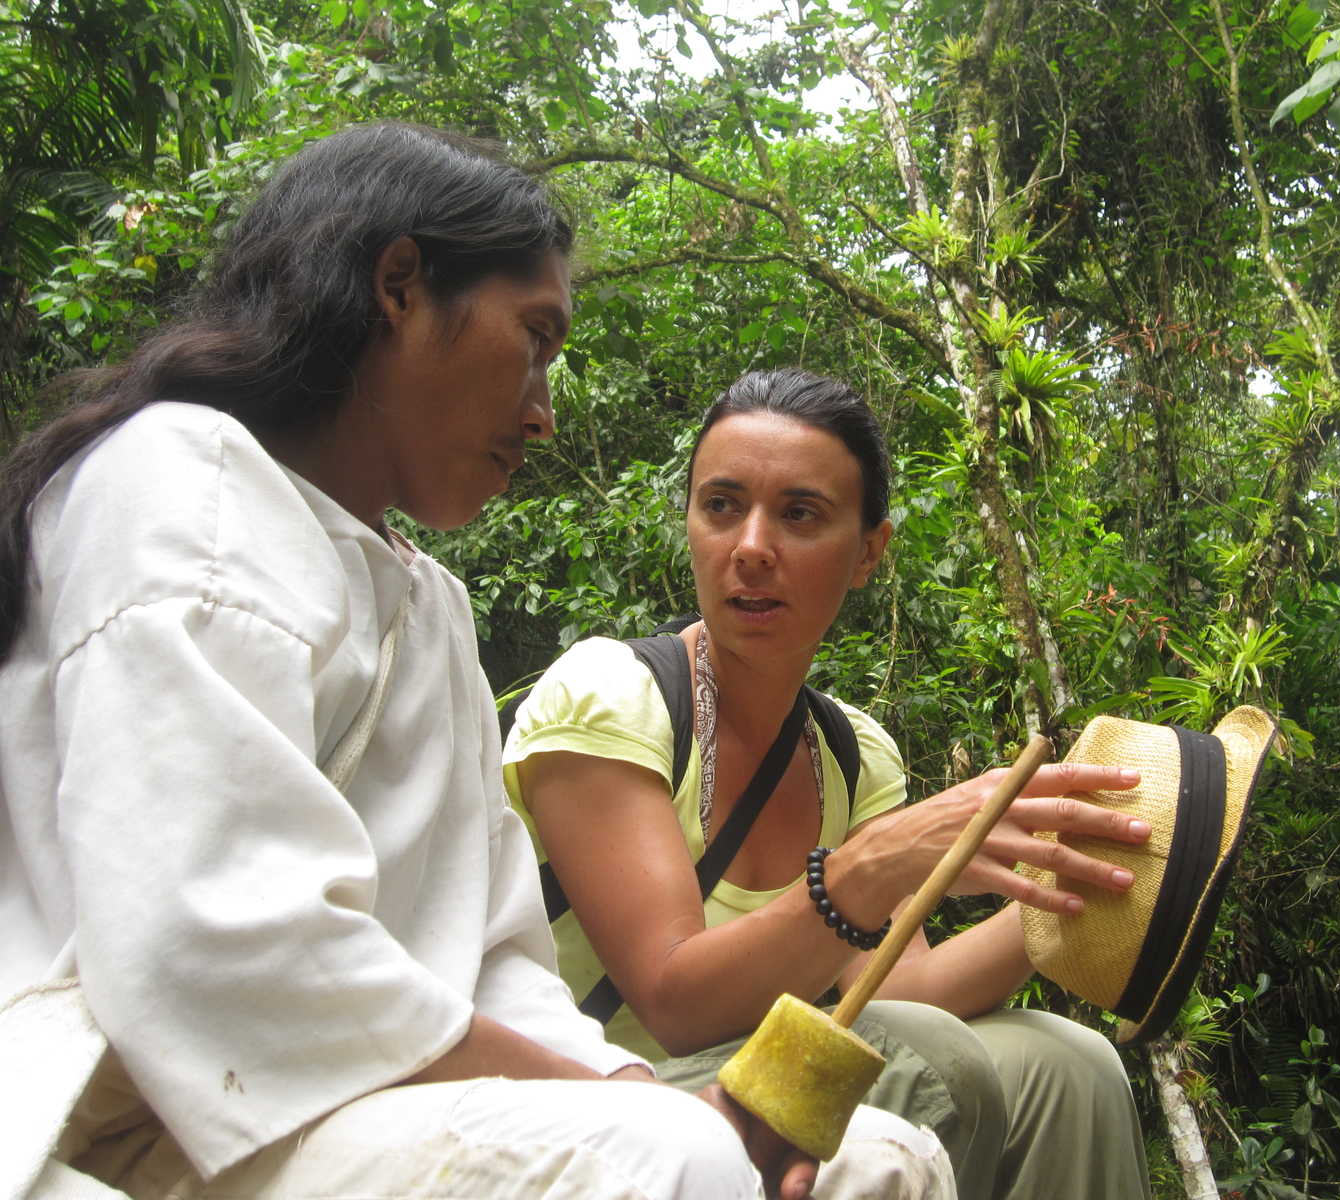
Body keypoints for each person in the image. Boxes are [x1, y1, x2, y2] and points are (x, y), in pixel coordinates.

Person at [0, 125, 955, 1200]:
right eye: (534, 339)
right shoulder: (182, 485)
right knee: (679, 1157)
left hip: (368, 1105)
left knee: (882, 1158)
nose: (541, 414)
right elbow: (216, 949)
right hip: (133, 1118)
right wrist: (651, 1114)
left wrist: (626, 1084)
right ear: (399, 286)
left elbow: (495, 957)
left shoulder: (429, 604)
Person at [504, 367, 1155, 1200]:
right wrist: (877, 863)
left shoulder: (851, 754)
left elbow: (907, 990)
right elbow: (673, 1000)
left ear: (868, 553)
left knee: (1069, 1064)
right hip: (593, 1104)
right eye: (722, 505)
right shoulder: (613, 694)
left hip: (752, 1090)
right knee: (935, 1061)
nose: (751, 546)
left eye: (800, 514)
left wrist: (1075, 893)